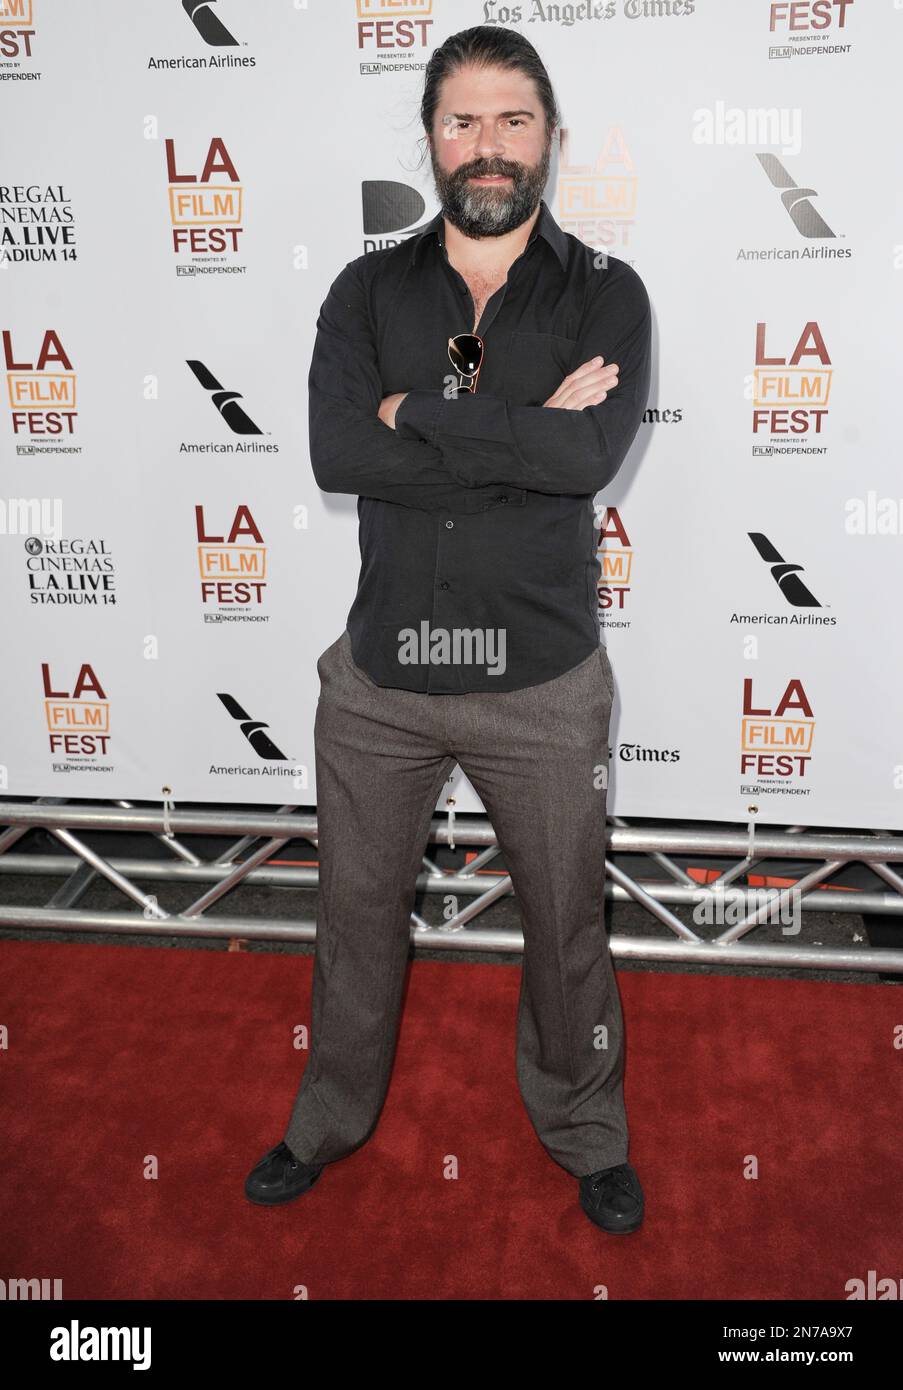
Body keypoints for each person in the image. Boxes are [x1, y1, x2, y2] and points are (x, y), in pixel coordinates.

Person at [245, 24, 652, 1235]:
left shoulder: (607, 294)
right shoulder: (365, 289)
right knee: (354, 917)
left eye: (512, 120)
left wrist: (418, 412)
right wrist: (520, 432)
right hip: (383, 678)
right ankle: (325, 1119)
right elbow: (338, 451)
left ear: (551, 140)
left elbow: (585, 461)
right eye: (462, 120)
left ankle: (587, 1130)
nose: (488, 146)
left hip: (541, 678)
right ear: (429, 137)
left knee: (569, 927)